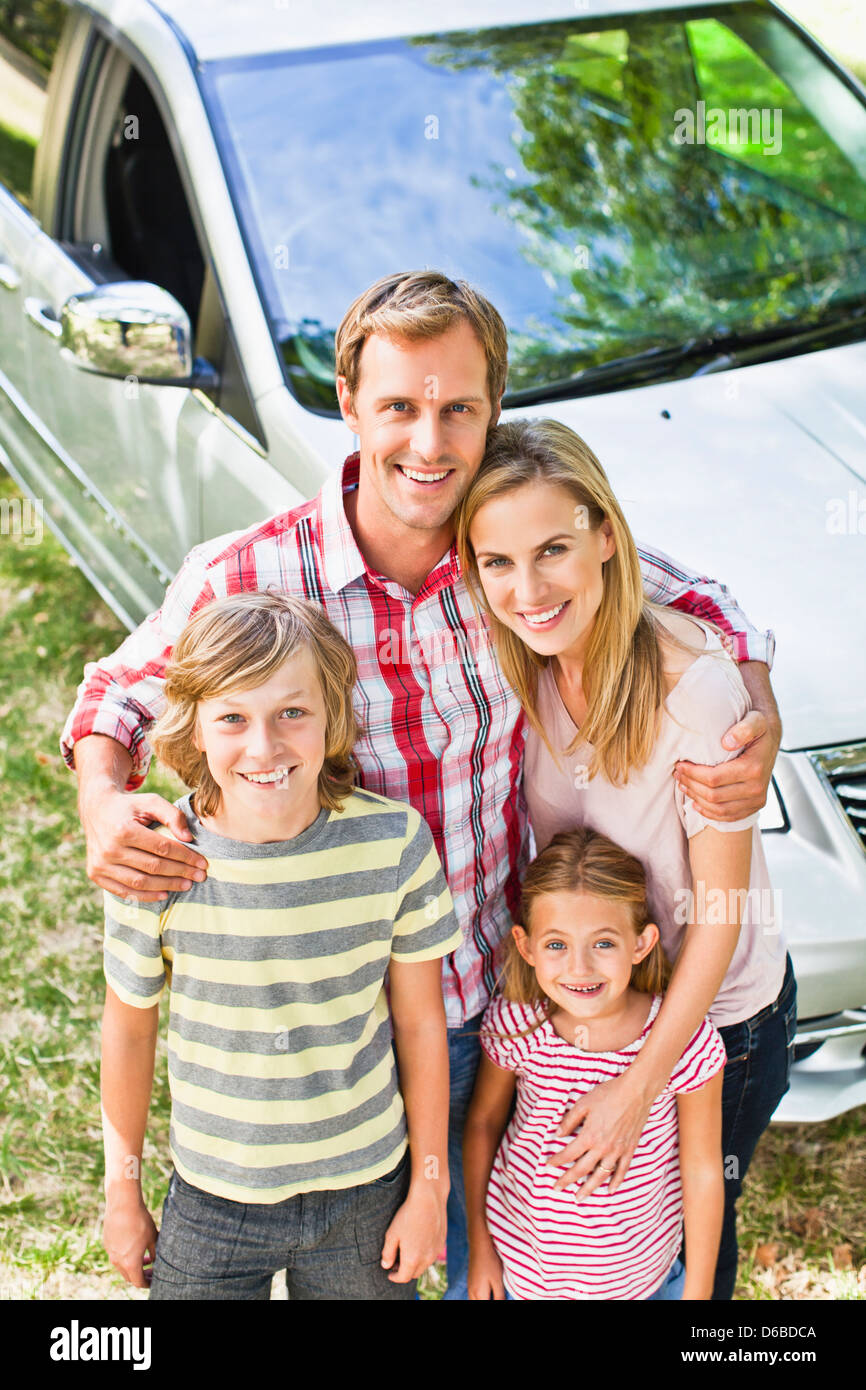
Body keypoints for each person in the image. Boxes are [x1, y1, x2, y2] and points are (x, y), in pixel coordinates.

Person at [64, 271, 781, 1299]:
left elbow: (697, 597)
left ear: (494, 411)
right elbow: (115, 692)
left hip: (503, 990)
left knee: (552, 1246)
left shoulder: (502, 546)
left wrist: (756, 699)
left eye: (458, 409)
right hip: (346, 1023)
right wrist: (99, 796)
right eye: (398, 407)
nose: (428, 443)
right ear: (350, 406)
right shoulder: (254, 574)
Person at [456, 417, 796, 1299]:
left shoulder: (698, 692)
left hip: (709, 1016)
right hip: (597, 992)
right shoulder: (519, 662)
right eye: (498, 562)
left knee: (687, 1243)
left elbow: (719, 922)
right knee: (592, 1219)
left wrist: (640, 1086)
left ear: (607, 538)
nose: (527, 589)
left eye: (554, 551)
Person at [101, 591, 460, 1300]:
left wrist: (428, 1189)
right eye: (232, 718)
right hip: (213, 1197)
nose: (263, 747)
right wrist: (122, 1194)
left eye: (292, 712)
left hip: (367, 1189)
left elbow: (420, 1022)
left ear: (333, 717)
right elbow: (130, 1032)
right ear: (196, 727)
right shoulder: (157, 862)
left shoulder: (394, 843)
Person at [465, 827, 726, 1300]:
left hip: (643, 1285)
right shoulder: (517, 1025)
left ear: (642, 944)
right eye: (556, 945)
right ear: (526, 947)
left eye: (604, 944)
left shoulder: (684, 1042)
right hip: (526, 1280)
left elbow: (705, 1170)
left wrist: (700, 1291)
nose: (580, 968)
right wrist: (480, 1249)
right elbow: (483, 1124)